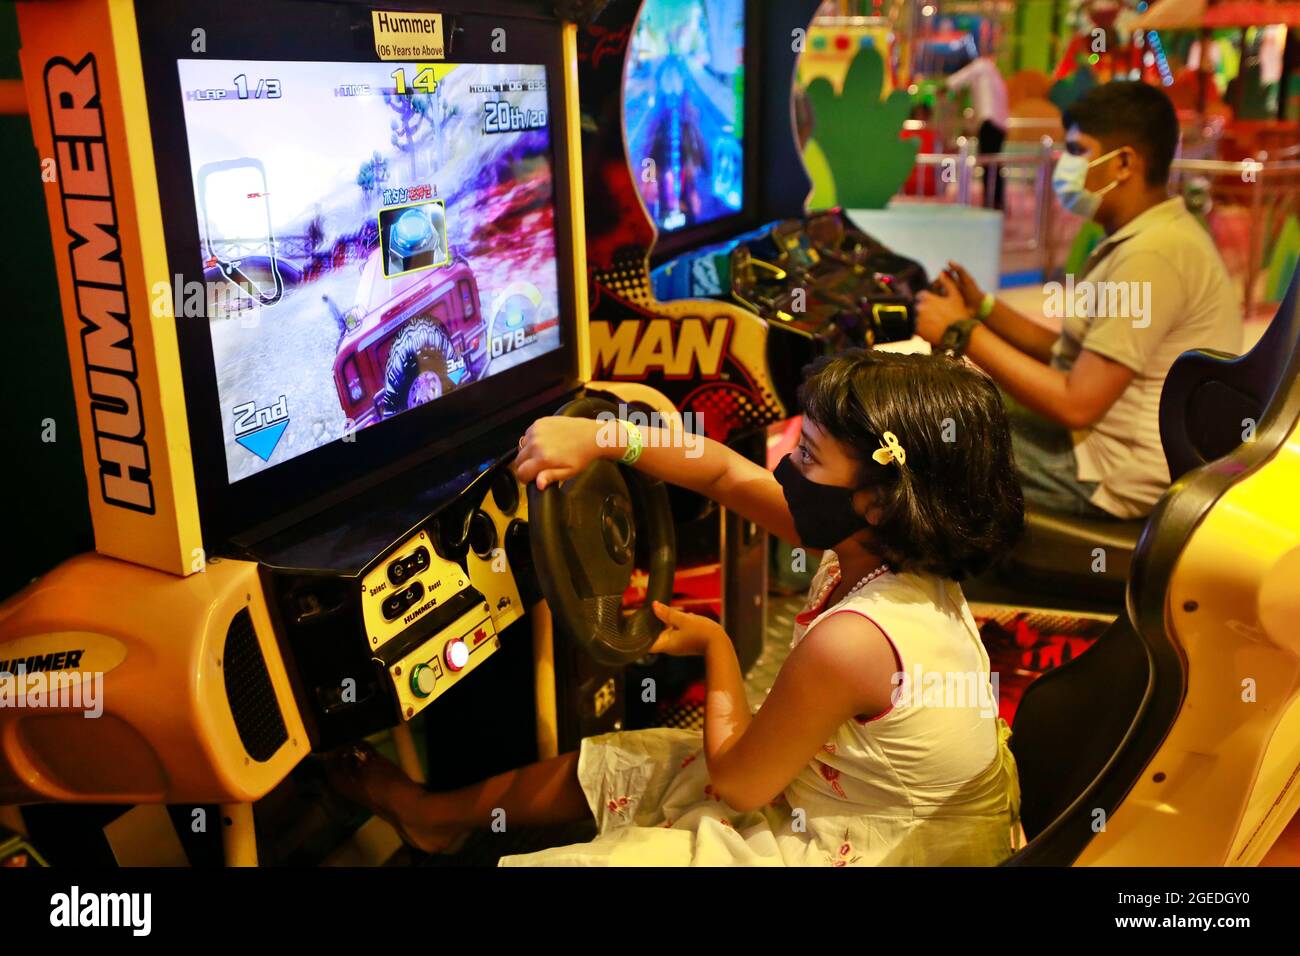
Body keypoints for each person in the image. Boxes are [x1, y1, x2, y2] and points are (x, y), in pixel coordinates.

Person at [326, 350, 1025, 866]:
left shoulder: (855, 641)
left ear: (876, 498)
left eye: (806, 455)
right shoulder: (889, 544)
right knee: (626, 760)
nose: (787, 466)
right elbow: (723, 471)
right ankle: (432, 815)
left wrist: (718, 651)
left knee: (650, 803)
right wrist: (605, 437)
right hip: (863, 797)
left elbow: (741, 782)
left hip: (884, 849)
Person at [916, 80, 1242, 521]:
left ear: (1124, 163)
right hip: (1099, 446)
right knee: (951, 401)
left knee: (919, 437)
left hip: (1115, 474)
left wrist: (960, 332)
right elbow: (1069, 354)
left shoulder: (1152, 254)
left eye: (1077, 151)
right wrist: (983, 310)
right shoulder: (1149, 235)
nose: (1064, 166)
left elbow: (1076, 402)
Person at [946, 53, 1009, 209]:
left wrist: (943, 86)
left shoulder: (980, 66)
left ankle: (991, 201)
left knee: (989, 164)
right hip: (999, 124)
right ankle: (996, 200)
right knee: (994, 164)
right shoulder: (992, 73)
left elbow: (954, 81)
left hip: (990, 124)